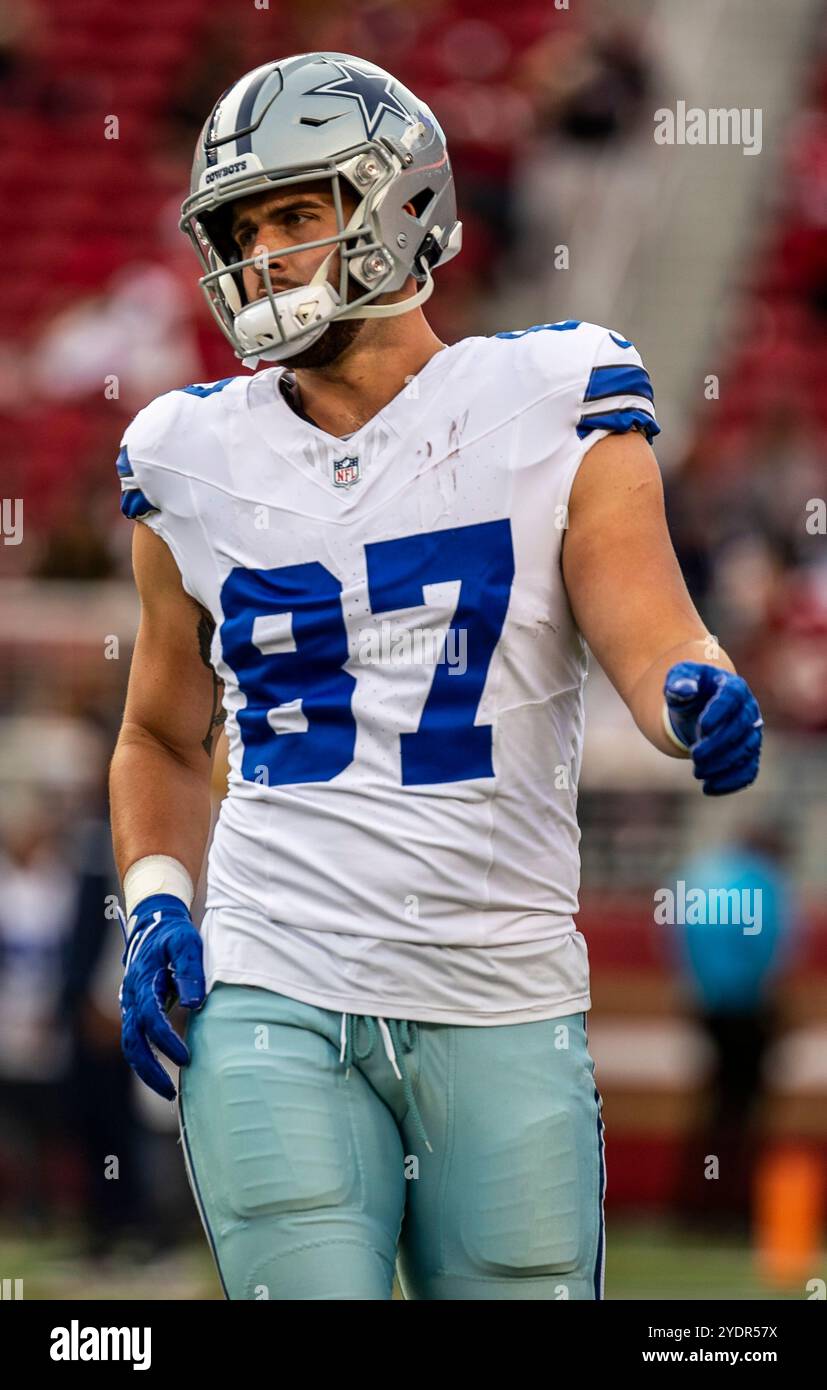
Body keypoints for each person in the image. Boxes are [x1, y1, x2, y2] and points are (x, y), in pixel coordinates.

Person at [109, 52, 763, 1301]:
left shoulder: (551, 397)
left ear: (397, 207)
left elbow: (652, 631)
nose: (263, 255)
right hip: (272, 978)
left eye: (297, 214)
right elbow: (157, 733)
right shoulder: (187, 458)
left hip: (495, 986)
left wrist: (694, 696)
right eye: (243, 227)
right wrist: (154, 900)